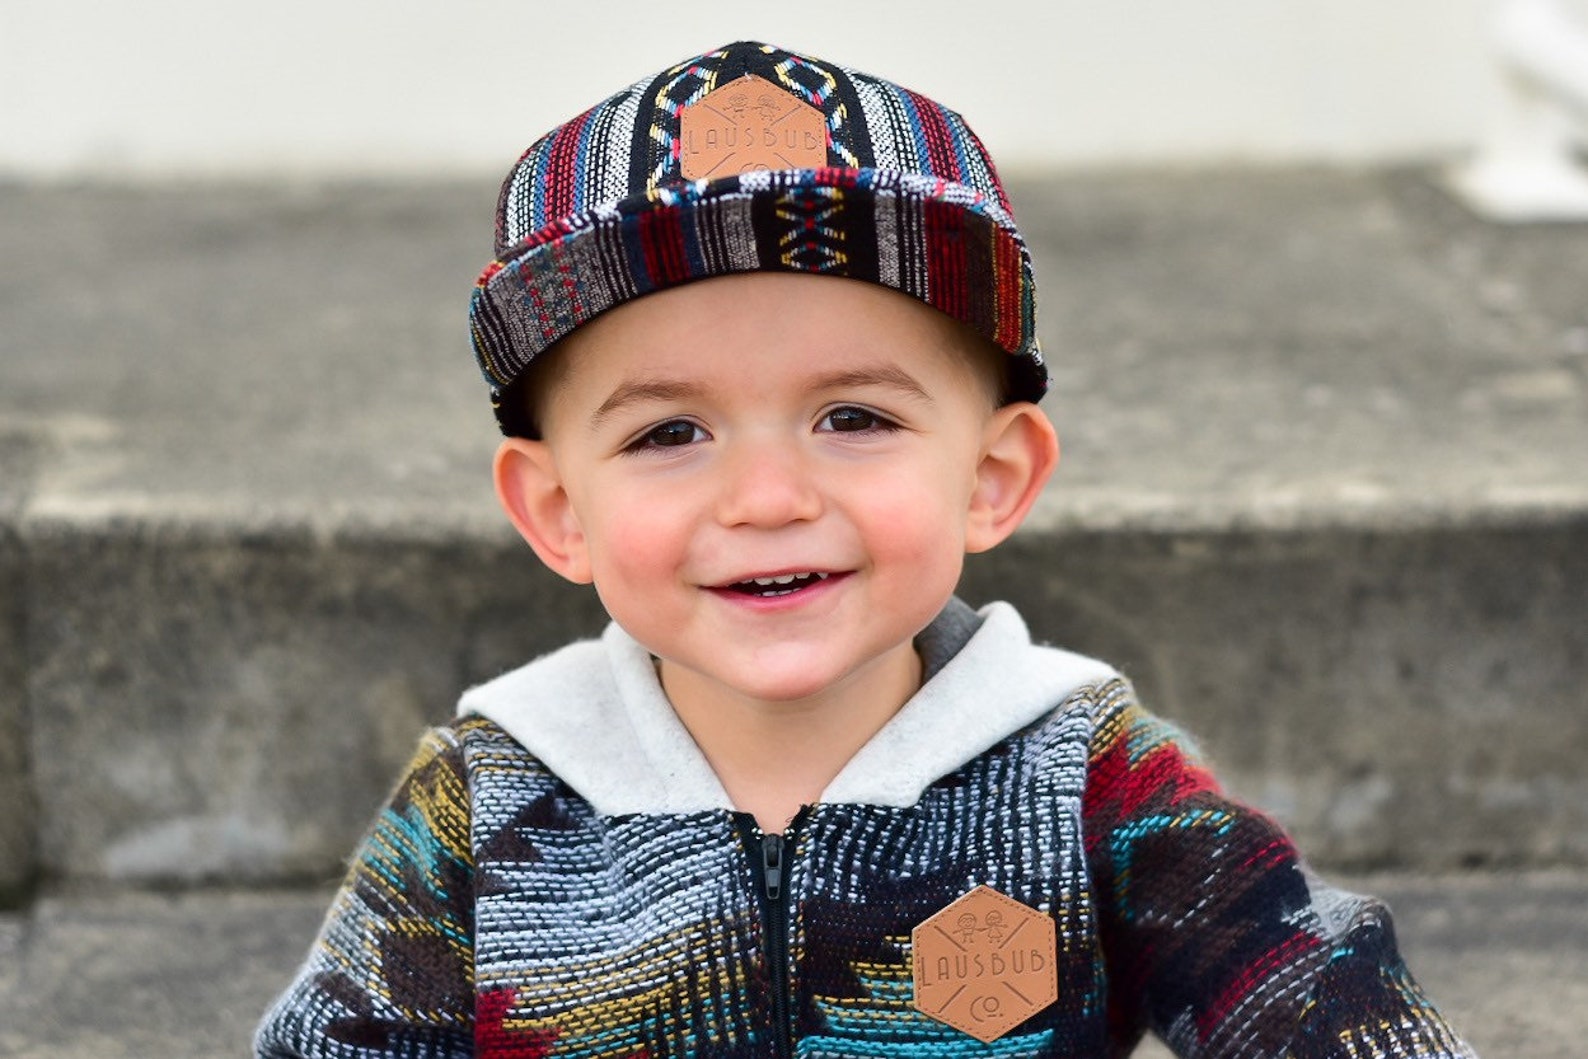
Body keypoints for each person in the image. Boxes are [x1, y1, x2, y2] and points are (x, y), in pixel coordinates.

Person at [257, 41, 1477, 1058]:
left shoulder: (1083, 772)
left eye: (855, 418)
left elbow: (1316, 997)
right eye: (670, 431)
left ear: (991, 479)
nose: (771, 497)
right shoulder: (492, 794)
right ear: (558, 510)